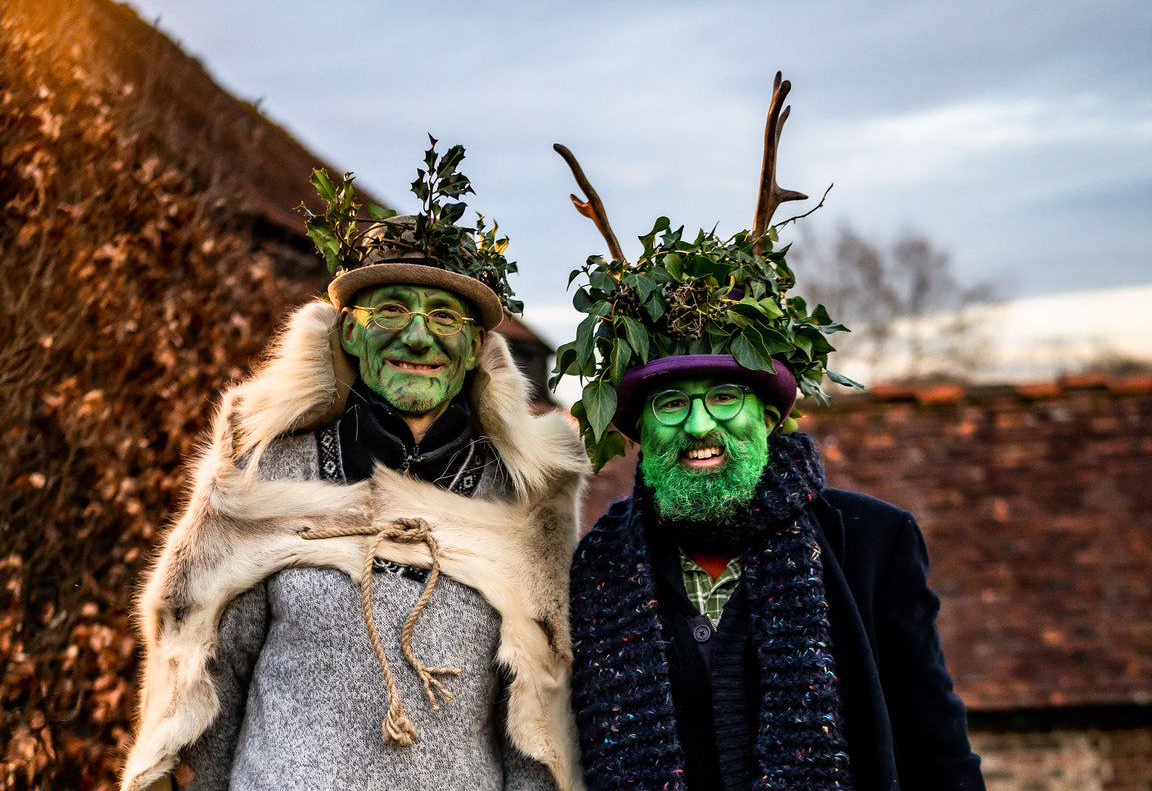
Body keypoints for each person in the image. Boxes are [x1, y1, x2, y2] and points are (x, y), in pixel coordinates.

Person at [553, 75, 986, 790]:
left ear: (770, 414)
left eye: (725, 396)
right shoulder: (596, 572)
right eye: (670, 405)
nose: (699, 424)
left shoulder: (872, 544)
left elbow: (935, 750)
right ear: (637, 429)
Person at [121, 144, 587, 791]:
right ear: (349, 333)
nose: (418, 337)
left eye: (445, 317)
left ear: (476, 348)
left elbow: (538, 725)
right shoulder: (266, 470)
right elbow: (205, 679)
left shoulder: (520, 496)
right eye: (391, 309)